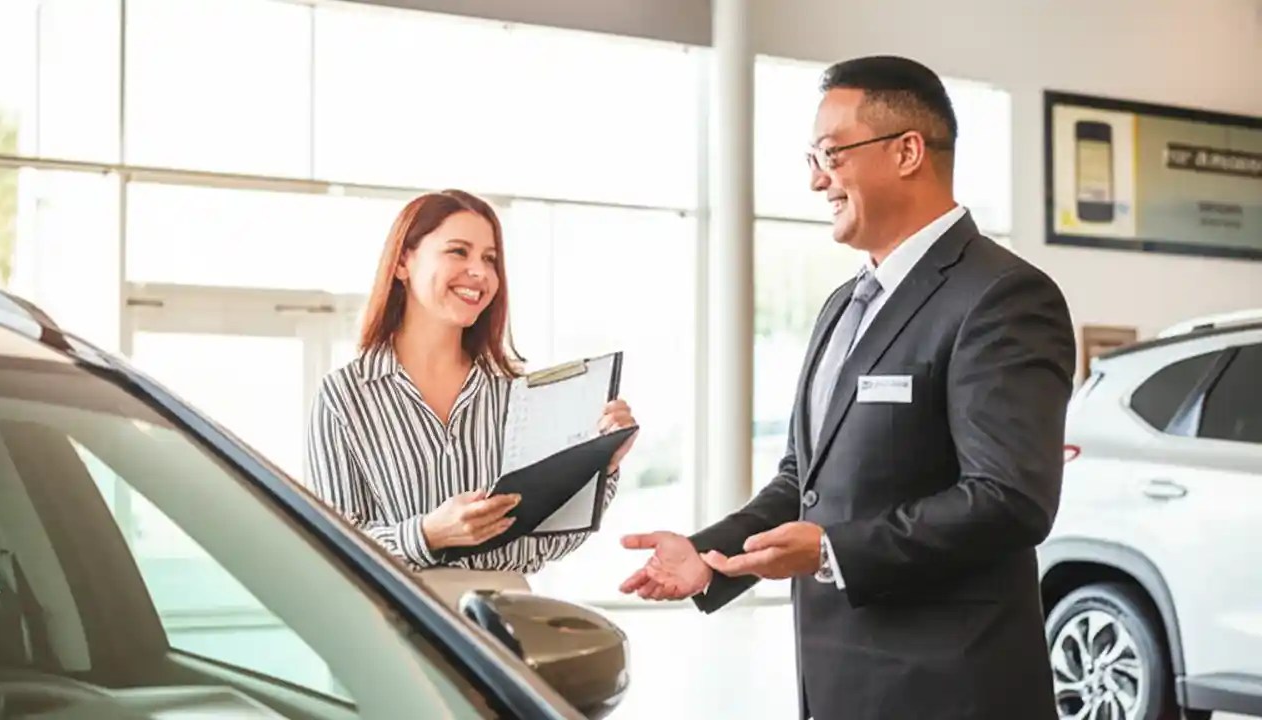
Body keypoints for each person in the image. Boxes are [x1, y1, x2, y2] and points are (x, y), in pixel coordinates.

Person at [619, 56, 1075, 719]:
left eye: (829, 155)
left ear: (907, 151)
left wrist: (834, 549)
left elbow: (1009, 500)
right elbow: (804, 477)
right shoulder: (843, 303)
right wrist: (709, 557)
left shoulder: (1003, 296)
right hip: (839, 685)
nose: (814, 180)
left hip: (950, 691)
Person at [305, 189, 637, 606]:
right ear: (403, 262)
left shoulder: (515, 395)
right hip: (389, 630)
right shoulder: (345, 397)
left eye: (490, 259)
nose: (478, 272)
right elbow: (332, 547)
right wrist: (428, 534)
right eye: (458, 252)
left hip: (502, 628)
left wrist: (600, 465)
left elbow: (542, 545)